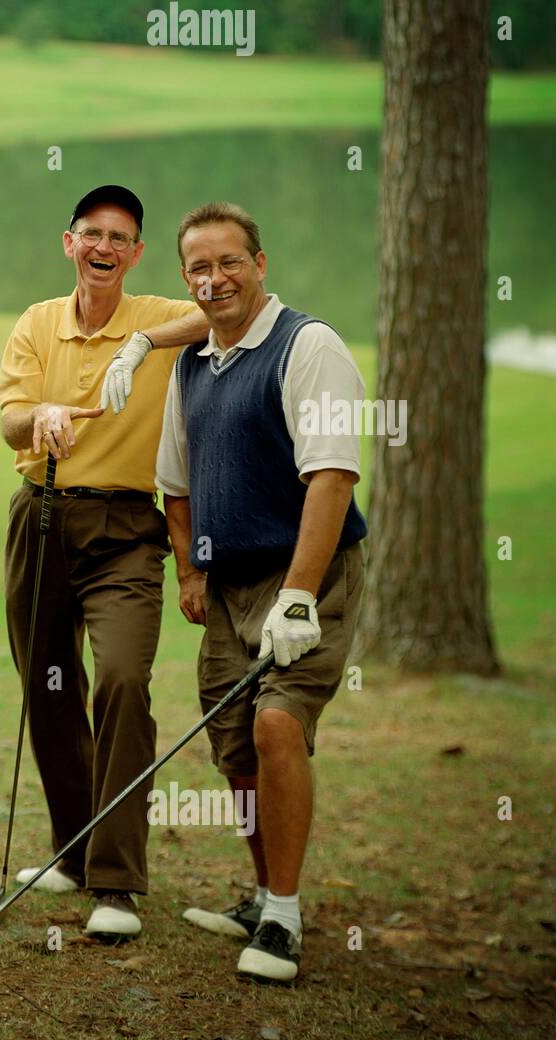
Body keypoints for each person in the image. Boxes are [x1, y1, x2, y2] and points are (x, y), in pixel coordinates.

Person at [156, 201, 367, 983]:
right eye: (200, 268)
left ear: (260, 263)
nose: (216, 279)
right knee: (236, 747)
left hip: (307, 572)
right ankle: (260, 892)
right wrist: (189, 570)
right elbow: (174, 487)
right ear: (186, 279)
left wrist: (301, 595)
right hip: (228, 583)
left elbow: (333, 476)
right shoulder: (190, 365)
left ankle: (282, 914)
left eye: (230, 262)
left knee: (278, 724)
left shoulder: (307, 346)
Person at [0, 185, 208, 940]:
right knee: (49, 683)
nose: (105, 248)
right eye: (92, 234)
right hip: (42, 515)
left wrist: (145, 343)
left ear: (136, 253)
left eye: (120, 238)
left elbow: (228, 309)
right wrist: (42, 416)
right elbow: (8, 419)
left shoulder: (154, 314)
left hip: (125, 529)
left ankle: (115, 882)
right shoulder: (37, 323)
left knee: (121, 678)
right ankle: (72, 848)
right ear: (69, 242)